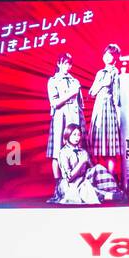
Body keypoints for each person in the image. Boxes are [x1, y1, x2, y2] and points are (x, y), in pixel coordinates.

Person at [46, 53, 85, 195]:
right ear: (58, 64)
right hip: (60, 119)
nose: (66, 66)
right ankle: (58, 187)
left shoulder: (75, 81)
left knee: (77, 151)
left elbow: (80, 105)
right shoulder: (53, 81)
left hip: (74, 118)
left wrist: (81, 123)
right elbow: (54, 103)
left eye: (69, 64)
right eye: (64, 63)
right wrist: (70, 93)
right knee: (57, 153)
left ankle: (76, 186)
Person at [88, 43, 123, 180]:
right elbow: (91, 92)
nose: (108, 57)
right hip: (98, 110)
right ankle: (99, 179)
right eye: (106, 54)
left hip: (109, 110)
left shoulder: (115, 72)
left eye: (112, 55)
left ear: (116, 58)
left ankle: (111, 180)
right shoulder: (100, 73)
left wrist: (118, 117)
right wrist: (102, 83)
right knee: (96, 146)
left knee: (110, 149)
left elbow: (117, 96)